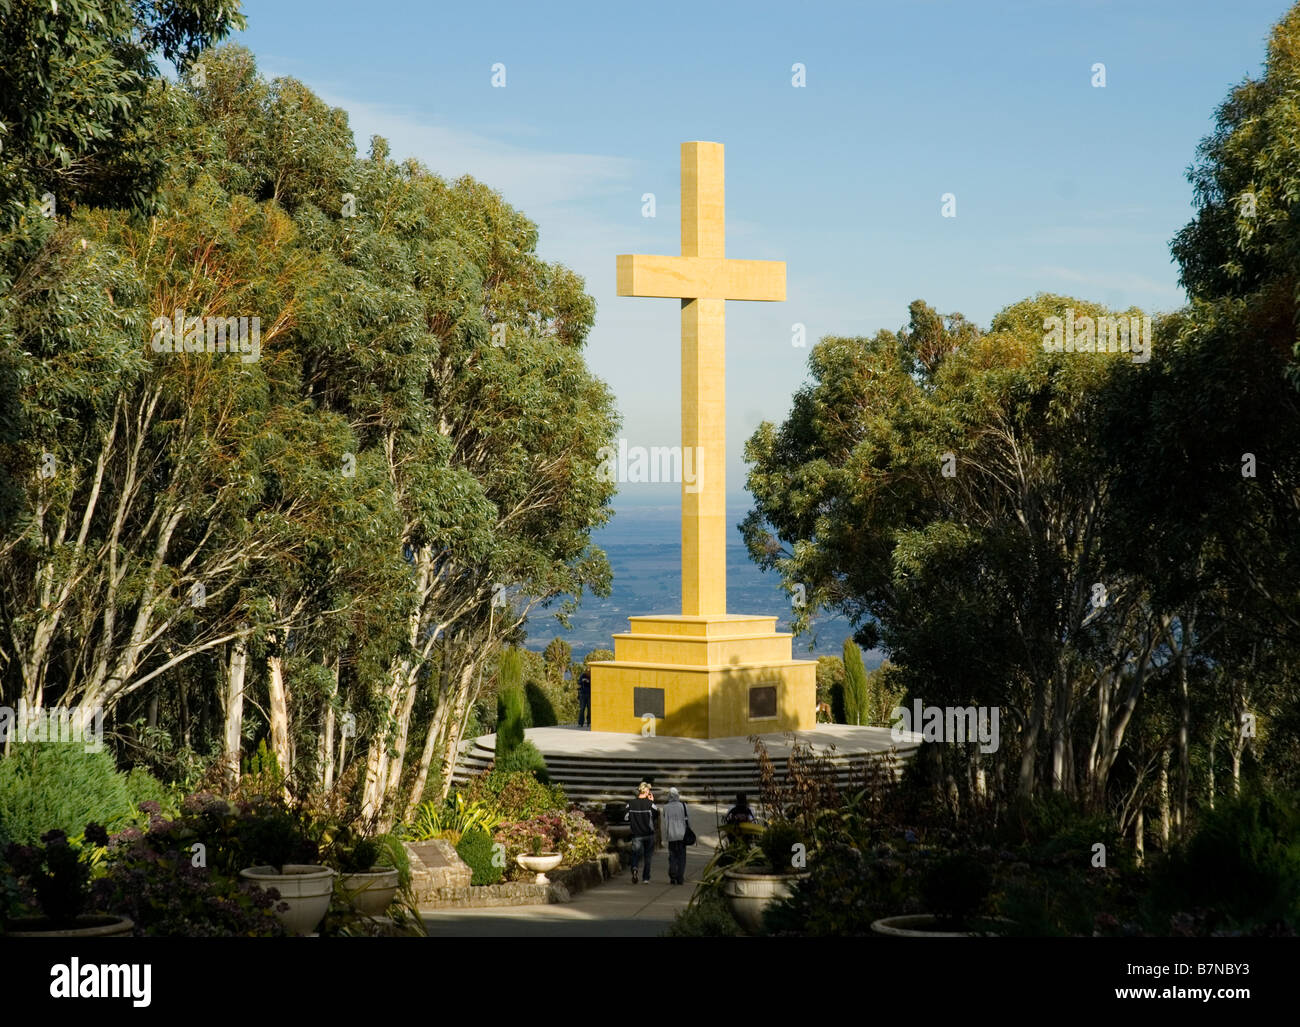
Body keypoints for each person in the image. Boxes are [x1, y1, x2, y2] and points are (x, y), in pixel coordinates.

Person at [625, 781, 658, 883]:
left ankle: (634, 868)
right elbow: (656, 816)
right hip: (648, 834)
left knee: (635, 854)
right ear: (647, 791)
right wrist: (652, 802)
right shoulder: (650, 804)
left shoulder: (630, 804)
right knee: (648, 857)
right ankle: (646, 878)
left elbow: (625, 817)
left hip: (636, 834)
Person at [662, 787, 691, 885]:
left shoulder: (666, 807)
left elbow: (665, 820)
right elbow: (688, 820)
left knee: (672, 856)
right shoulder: (683, 806)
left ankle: (673, 875)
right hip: (682, 835)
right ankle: (680, 877)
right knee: (682, 857)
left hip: (671, 835)